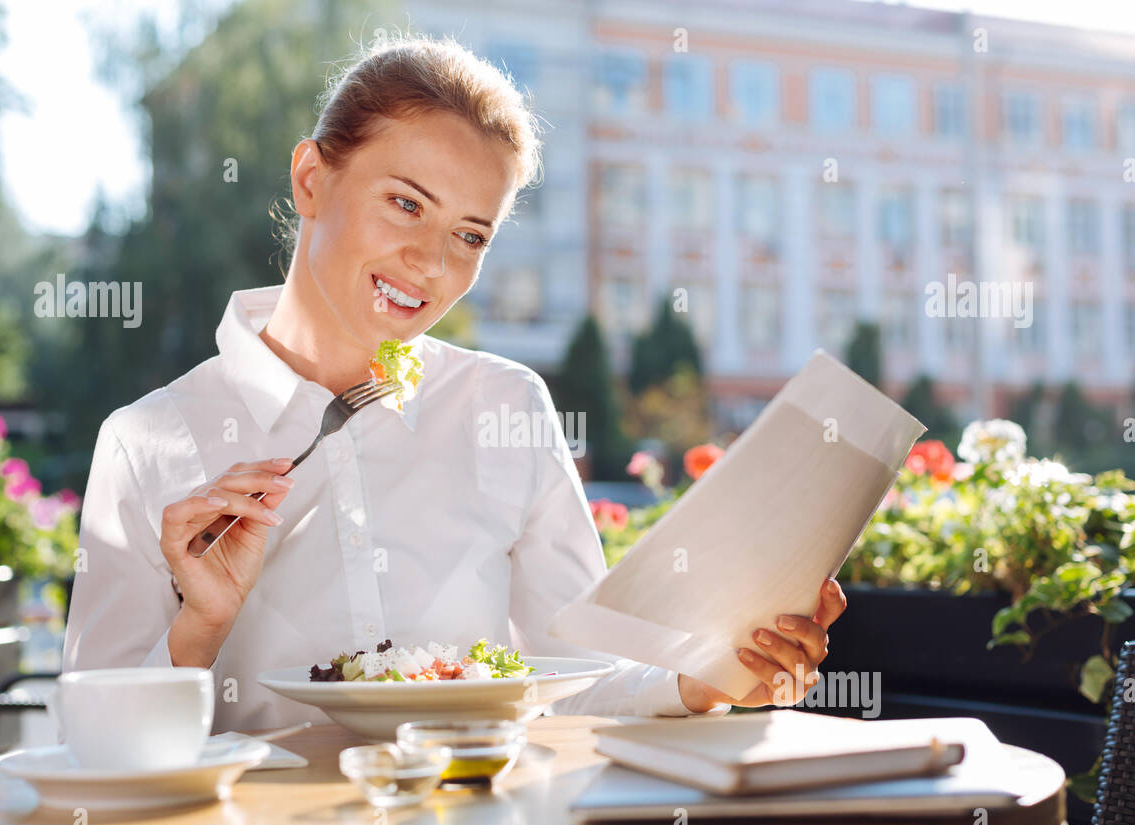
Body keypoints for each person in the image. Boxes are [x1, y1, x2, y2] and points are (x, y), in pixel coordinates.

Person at [62, 33, 845, 732]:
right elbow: (87, 745)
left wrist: (711, 676)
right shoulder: (149, 442)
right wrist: (199, 626)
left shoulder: (507, 406)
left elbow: (573, 677)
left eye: (470, 235)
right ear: (311, 179)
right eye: (406, 203)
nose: (433, 265)